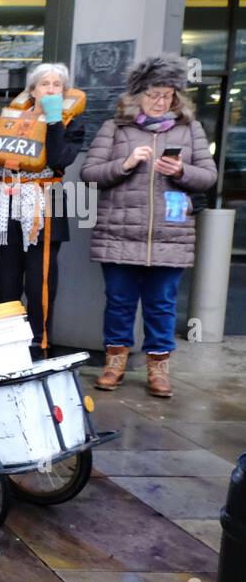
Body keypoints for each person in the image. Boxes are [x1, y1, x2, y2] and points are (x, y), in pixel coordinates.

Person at [80, 54, 217, 398]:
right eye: (153, 94)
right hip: (119, 233)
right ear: (137, 94)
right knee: (120, 303)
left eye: (167, 95)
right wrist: (125, 164)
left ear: (176, 96)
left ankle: (158, 372)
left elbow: (209, 177)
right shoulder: (115, 128)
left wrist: (181, 172)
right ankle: (114, 366)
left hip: (170, 237)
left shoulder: (190, 129)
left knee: (162, 305)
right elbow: (89, 173)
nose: (160, 102)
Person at [0, 63, 86, 355]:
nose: (51, 89)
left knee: (40, 280)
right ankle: (5, 342)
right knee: (5, 278)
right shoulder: (10, 118)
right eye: (45, 84)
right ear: (32, 90)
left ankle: (39, 342)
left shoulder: (71, 122)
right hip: (6, 199)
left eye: (57, 85)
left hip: (44, 200)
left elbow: (59, 159)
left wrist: (54, 120)